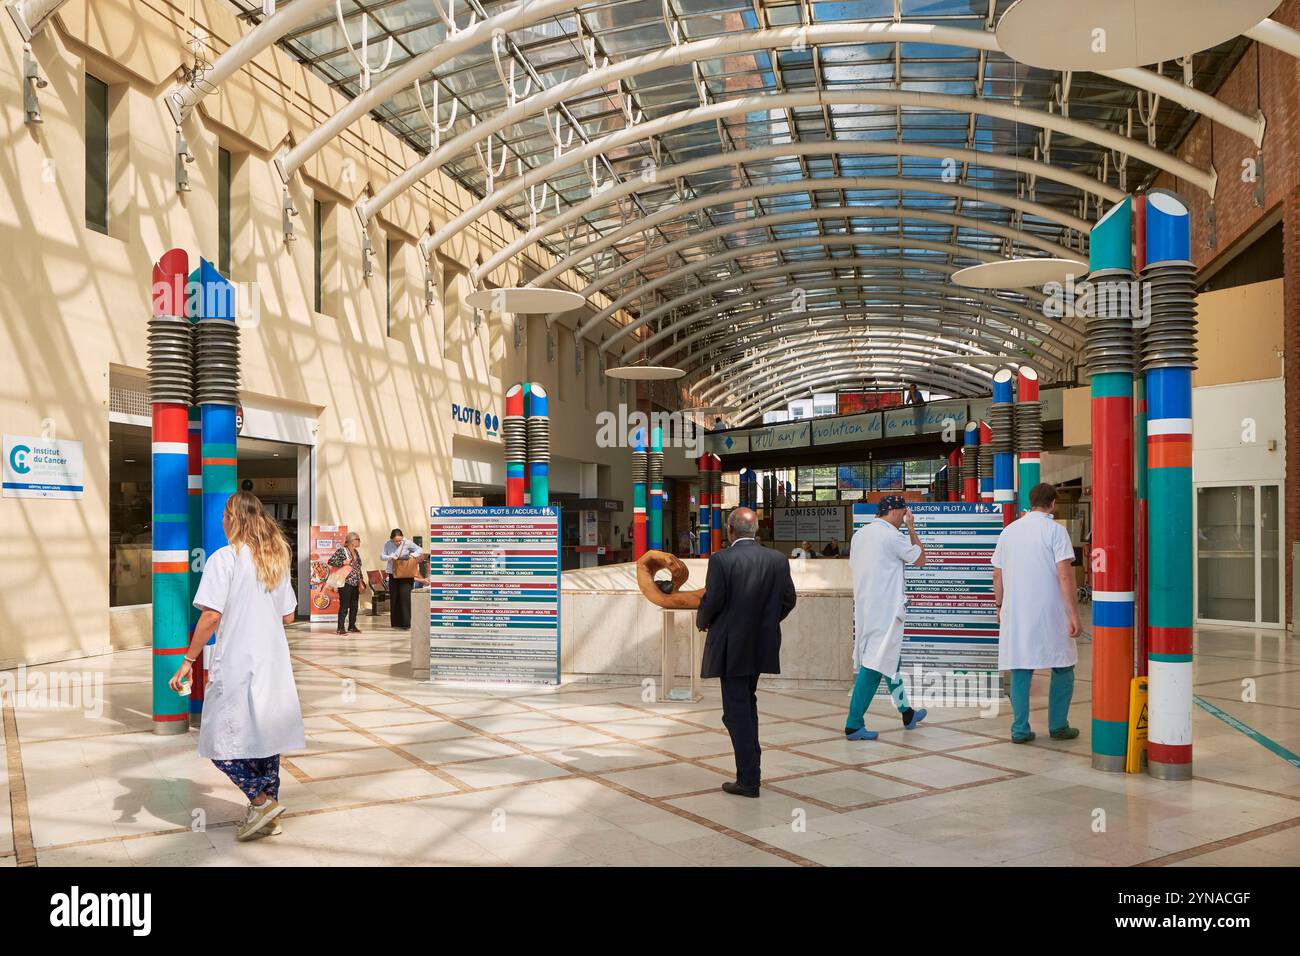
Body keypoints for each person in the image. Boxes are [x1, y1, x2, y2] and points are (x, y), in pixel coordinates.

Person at [168, 491, 304, 842]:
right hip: (273, 661)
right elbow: (288, 616)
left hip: (238, 661)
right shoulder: (275, 559)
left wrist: (188, 660)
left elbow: (211, 616)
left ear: (235, 519)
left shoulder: (224, 559)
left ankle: (261, 802)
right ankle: (268, 813)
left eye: (225, 515)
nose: (221, 520)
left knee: (218, 742)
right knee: (265, 739)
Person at [695, 508, 797, 798]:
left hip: (732, 647)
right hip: (762, 643)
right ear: (755, 530)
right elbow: (789, 599)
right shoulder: (777, 559)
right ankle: (751, 772)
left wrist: (702, 621)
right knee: (747, 704)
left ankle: (749, 779)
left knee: (736, 712)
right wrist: (767, 622)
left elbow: (713, 600)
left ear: (730, 530)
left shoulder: (721, 559)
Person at [992, 482, 1081, 744]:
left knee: (1021, 668)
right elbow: (1065, 575)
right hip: (1051, 612)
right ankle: (1058, 726)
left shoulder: (1009, 532)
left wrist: (999, 606)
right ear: (1052, 503)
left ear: (1030, 503)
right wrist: (1074, 614)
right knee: (1063, 666)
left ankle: (1020, 729)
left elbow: (997, 574)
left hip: (1016, 613)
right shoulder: (1056, 531)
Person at [844, 495, 929, 740]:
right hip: (886, 613)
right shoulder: (892, 536)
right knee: (873, 667)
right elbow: (920, 559)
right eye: (903, 514)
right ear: (894, 512)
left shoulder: (860, 535)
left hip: (867, 608)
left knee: (891, 663)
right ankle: (853, 724)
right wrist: (912, 528)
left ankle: (907, 712)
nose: (904, 518)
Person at [381, 529, 423, 630]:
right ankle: (396, 623)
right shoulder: (387, 544)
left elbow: (420, 550)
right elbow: (382, 556)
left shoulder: (407, 542)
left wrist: (412, 555)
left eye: (400, 540)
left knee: (405, 598)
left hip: (406, 574)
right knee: (395, 598)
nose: (398, 542)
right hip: (393, 573)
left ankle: (406, 623)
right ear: (392, 539)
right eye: (396, 541)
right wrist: (391, 557)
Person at [326, 531, 366, 635]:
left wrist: (361, 580)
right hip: (345, 583)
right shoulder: (342, 551)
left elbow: (358, 567)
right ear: (352, 541)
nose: (359, 541)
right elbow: (331, 561)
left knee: (354, 606)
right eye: (358, 539)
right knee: (344, 606)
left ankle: (352, 626)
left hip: (355, 582)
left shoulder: (356, 552)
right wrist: (343, 562)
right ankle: (340, 628)